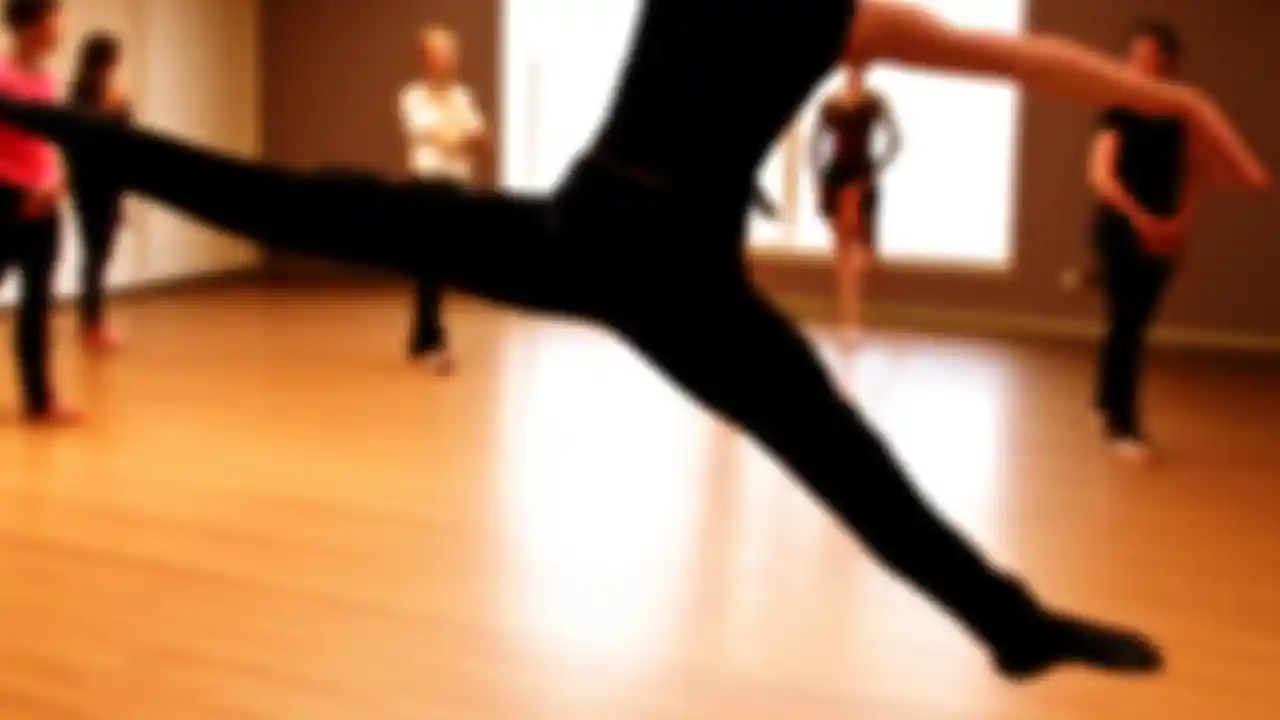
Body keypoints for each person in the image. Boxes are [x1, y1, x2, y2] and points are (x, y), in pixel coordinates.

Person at [0, 0, 1269, 679]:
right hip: (592, 234)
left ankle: (1011, 625)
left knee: (843, 458)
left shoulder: (844, 17)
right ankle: (73, 134)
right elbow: (1017, 59)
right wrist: (1163, 95)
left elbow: (1014, 58)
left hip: (649, 262)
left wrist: (1163, 95)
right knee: (313, 202)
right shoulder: (841, 18)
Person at [1088, 21, 1196, 462]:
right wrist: (1140, 219)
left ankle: (1104, 401)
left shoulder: (1179, 115)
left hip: (1162, 234)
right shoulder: (1118, 109)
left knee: (1133, 324)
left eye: (1148, 57)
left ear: (1168, 62)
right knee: (1126, 325)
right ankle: (1123, 424)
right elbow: (1101, 176)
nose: (1139, 65)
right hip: (1120, 230)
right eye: (1134, 56)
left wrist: (1179, 222)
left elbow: (1191, 175)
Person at [0, 0, 74, 424]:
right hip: (6, 204)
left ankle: (40, 400)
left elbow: (47, 144)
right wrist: (17, 194)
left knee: (37, 305)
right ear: (33, 24)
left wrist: (57, 180)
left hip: (44, 204)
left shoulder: (48, 80)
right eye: (54, 17)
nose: (60, 26)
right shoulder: (2, 77)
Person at [399, 25, 487, 374]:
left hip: (456, 186)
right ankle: (431, 340)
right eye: (441, 53)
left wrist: (465, 137)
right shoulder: (413, 97)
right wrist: (462, 136)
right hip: (427, 185)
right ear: (425, 59)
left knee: (441, 264)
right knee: (430, 264)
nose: (450, 60)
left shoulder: (463, 96)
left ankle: (422, 338)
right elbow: (443, 138)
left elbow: (482, 141)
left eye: (452, 53)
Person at [814, 61, 902, 332]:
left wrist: (873, 173)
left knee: (864, 250)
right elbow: (817, 146)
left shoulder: (874, 102)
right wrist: (819, 181)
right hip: (835, 175)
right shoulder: (831, 103)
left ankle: (851, 316)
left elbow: (895, 141)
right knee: (841, 250)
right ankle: (848, 319)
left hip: (861, 173)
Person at [69, 31, 130, 351]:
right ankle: (91, 324)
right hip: (90, 185)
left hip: (110, 183)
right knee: (95, 255)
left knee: (100, 254)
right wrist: (110, 110)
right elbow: (79, 139)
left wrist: (121, 109)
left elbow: (126, 137)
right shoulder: (80, 95)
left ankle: (91, 320)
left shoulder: (112, 94)